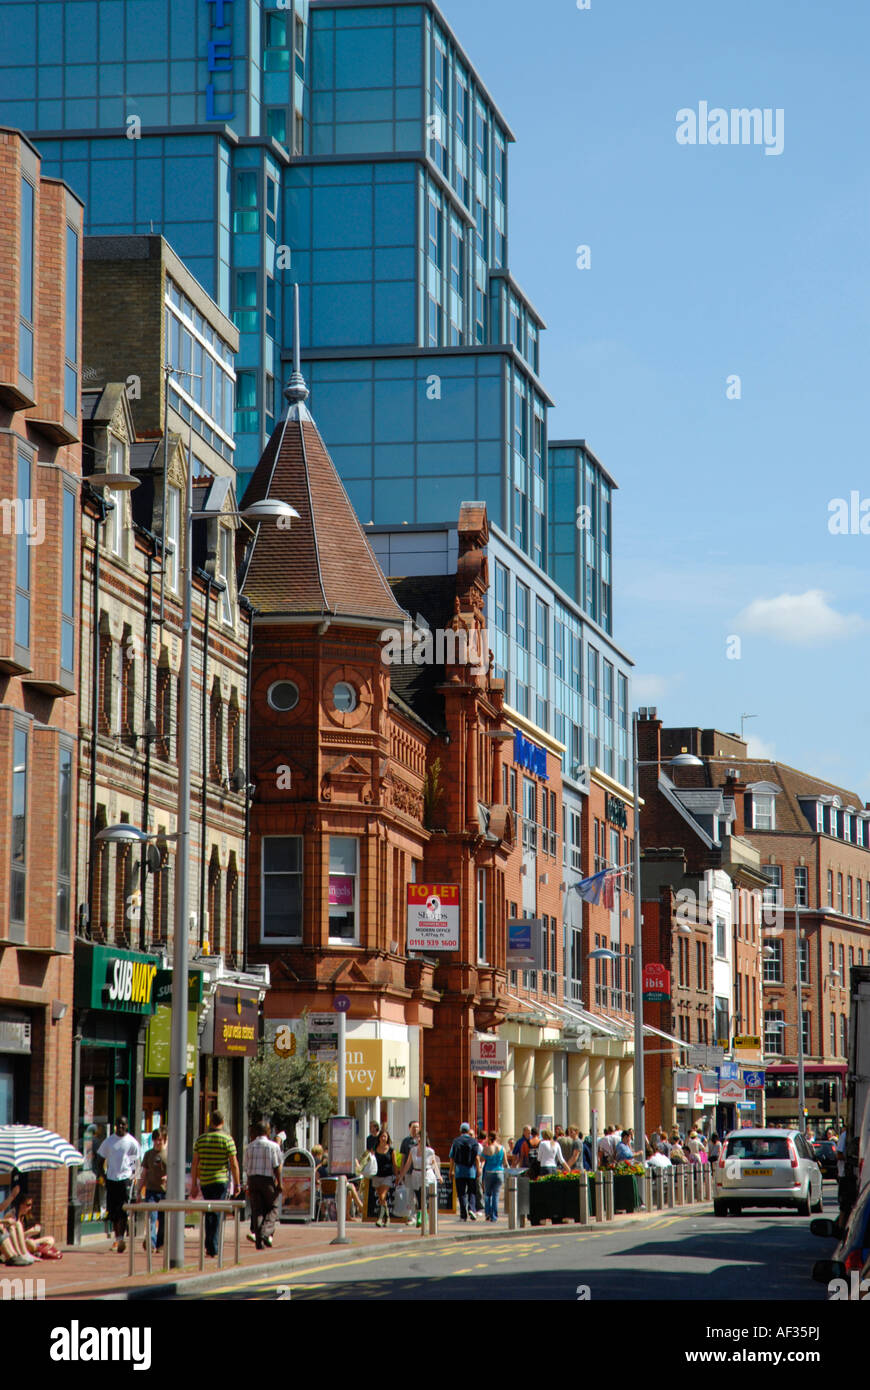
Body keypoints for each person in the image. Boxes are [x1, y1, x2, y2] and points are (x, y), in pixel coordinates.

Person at [191, 1110, 240, 1259]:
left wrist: (194, 1183)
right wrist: (238, 1184)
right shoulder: (227, 1139)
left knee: (209, 1211)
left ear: (210, 1121)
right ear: (222, 1122)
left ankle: (209, 1245)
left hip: (205, 1181)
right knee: (217, 1212)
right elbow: (234, 1164)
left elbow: (194, 1163)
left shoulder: (200, 1140)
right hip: (220, 1180)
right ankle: (213, 1245)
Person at [97, 1116, 141, 1254]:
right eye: (119, 1124)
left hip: (125, 1179)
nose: (121, 1127)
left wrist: (135, 1179)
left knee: (122, 1210)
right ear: (115, 1125)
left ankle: (120, 1239)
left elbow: (136, 1162)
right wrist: (103, 1175)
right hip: (111, 1179)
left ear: (127, 1126)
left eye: (123, 1124)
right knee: (113, 1211)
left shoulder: (132, 1142)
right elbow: (100, 1159)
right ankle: (119, 1237)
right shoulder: (109, 1141)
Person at [243, 1121, 283, 1250]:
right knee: (273, 1207)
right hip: (267, 1180)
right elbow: (277, 1167)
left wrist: (247, 1185)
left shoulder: (249, 1147)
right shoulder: (273, 1146)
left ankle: (259, 1241)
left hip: (253, 1180)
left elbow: (247, 1168)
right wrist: (280, 1183)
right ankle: (266, 1233)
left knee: (257, 1210)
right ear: (268, 1132)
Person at [138, 1128, 168, 1253]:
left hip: (165, 1192)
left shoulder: (168, 1155)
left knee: (163, 1219)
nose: (157, 1142)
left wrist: (168, 1177)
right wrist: (138, 1190)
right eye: (155, 1140)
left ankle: (161, 1244)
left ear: (164, 1140)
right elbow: (143, 1173)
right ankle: (151, 1242)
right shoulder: (148, 1154)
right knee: (151, 1217)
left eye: (160, 1140)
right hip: (151, 1191)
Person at [400, 1133, 440, 1225]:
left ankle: (420, 1218)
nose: (419, 1139)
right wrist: (401, 1176)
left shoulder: (430, 1151)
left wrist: (439, 1176)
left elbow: (434, 1164)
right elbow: (408, 1164)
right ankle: (422, 1216)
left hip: (426, 1175)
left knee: (423, 1196)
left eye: (420, 1137)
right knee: (418, 1197)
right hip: (416, 1175)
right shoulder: (413, 1150)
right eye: (417, 1137)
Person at [448, 1122, 481, 1221]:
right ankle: (472, 1208)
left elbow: (452, 1157)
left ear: (460, 1130)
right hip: (471, 1171)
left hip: (459, 1171)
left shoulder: (456, 1141)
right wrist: (478, 1169)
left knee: (461, 1193)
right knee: (472, 1191)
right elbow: (477, 1157)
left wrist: (451, 1170)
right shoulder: (474, 1141)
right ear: (468, 1130)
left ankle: (463, 1215)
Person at [371, 1128, 396, 1227]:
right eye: (382, 1136)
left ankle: (380, 1218)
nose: (383, 1138)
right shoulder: (375, 1148)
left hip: (387, 1176)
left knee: (382, 1196)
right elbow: (370, 1160)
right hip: (377, 1175)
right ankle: (387, 1217)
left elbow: (394, 1164)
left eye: (385, 1136)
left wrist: (397, 1176)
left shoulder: (391, 1150)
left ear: (388, 1138)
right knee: (381, 1199)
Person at [481, 1131, 507, 1221]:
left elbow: (481, 1159)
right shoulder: (502, 1148)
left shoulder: (487, 1149)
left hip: (489, 1172)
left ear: (489, 1138)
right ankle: (494, 1216)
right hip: (499, 1172)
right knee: (496, 1195)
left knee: (487, 1194)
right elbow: (505, 1162)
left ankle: (488, 1213)